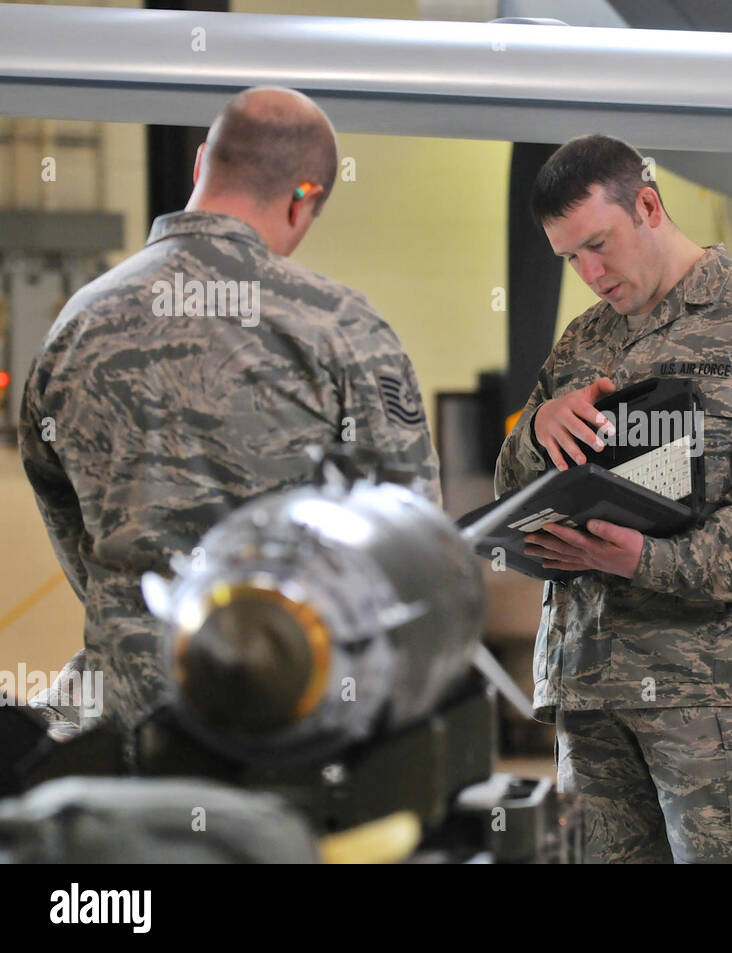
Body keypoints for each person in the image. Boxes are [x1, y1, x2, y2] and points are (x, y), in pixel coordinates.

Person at [19, 87, 438, 735]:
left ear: (199, 165)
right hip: (282, 713)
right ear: (306, 200)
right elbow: (411, 537)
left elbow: (60, 503)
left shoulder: (76, 323)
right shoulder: (337, 325)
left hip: (122, 722)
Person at [494, 134, 732, 863]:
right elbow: (513, 493)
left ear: (648, 204)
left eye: (598, 245)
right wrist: (535, 429)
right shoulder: (583, 339)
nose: (588, 272)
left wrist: (644, 559)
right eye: (568, 258)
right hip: (587, 693)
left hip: (707, 694)